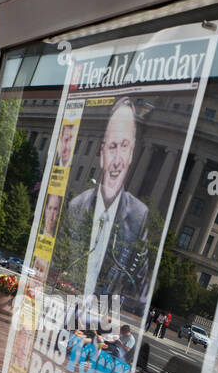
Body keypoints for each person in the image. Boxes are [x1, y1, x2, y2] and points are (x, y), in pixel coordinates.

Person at [50, 97, 156, 310]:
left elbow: (140, 282)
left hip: (102, 314)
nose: (117, 159)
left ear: (131, 155)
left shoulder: (138, 215)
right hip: (65, 305)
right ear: (101, 152)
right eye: (112, 147)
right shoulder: (77, 206)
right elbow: (56, 261)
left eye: (124, 147)